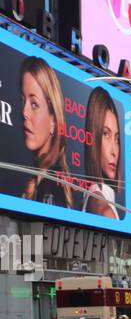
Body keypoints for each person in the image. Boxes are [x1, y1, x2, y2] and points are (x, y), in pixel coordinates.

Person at [19, 58, 74, 208]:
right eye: (22, 100)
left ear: (53, 121)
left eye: (34, 104)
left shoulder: (50, 186)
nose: (24, 112)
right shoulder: (43, 180)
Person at [82, 88, 121, 220]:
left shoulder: (98, 197)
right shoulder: (104, 210)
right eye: (106, 134)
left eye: (116, 139)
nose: (114, 151)